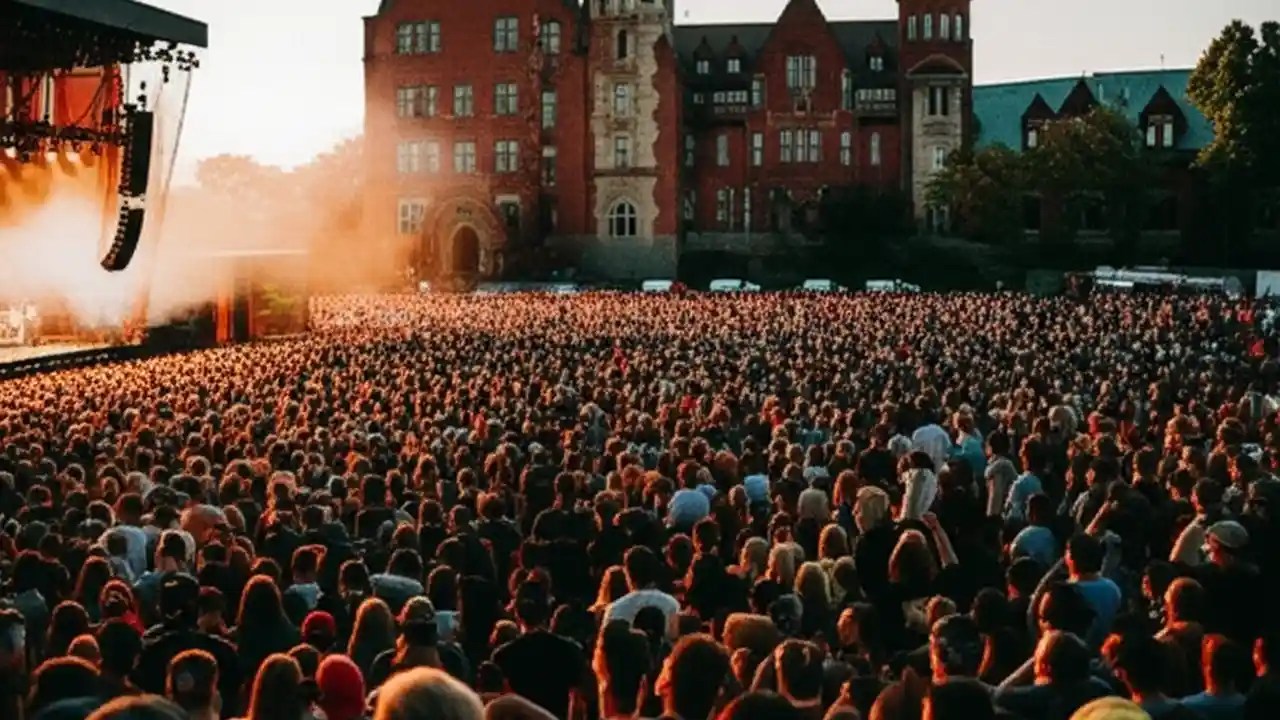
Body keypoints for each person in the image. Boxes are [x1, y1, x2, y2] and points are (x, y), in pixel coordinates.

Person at [493, 577, 585, 718]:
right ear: (548, 609)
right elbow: (578, 703)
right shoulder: (570, 650)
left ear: (516, 612)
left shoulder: (503, 655)